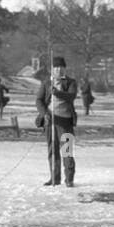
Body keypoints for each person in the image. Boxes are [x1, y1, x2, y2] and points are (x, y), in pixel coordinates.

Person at [35, 55, 79, 187]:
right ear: (52, 69)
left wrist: (57, 93)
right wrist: (44, 114)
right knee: (52, 151)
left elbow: (71, 96)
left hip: (65, 122)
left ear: (65, 69)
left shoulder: (71, 82)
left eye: (61, 67)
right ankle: (55, 178)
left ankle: (69, 179)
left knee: (67, 150)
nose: (58, 70)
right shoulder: (47, 83)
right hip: (51, 122)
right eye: (56, 67)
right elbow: (39, 100)